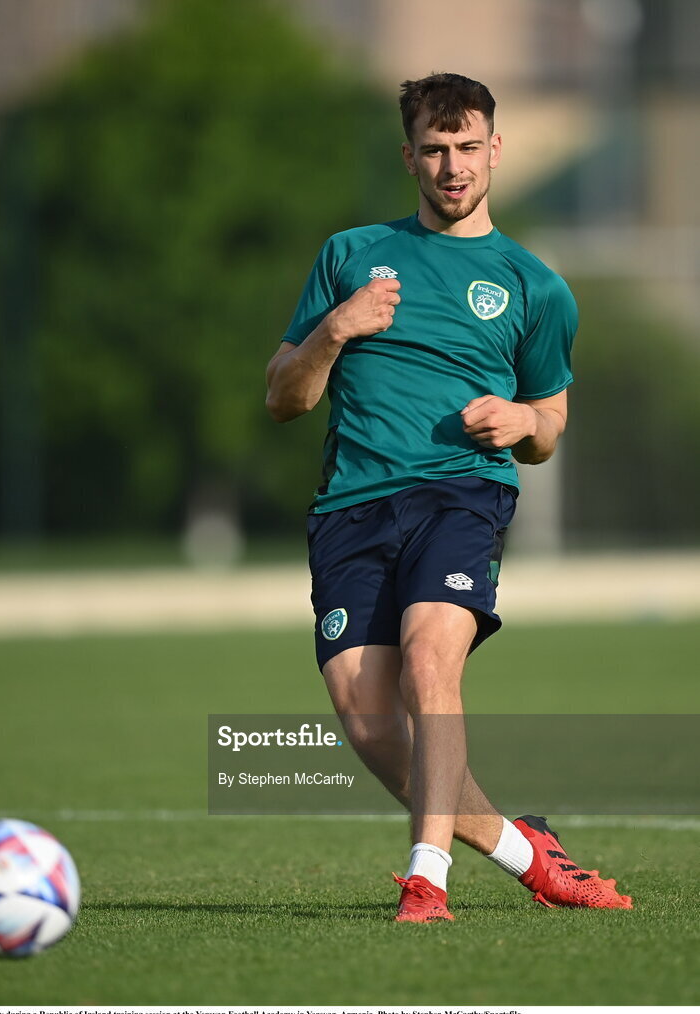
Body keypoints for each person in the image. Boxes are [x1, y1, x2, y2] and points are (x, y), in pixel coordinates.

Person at [265, 72, 631, 923]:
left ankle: (425, 879)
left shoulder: (535, 286)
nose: (452, 165)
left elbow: (548, 427)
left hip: (462, 496)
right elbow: (283, 397)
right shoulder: (349, 256)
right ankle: (522, 849)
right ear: (409, 157)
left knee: (432, 663)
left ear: (494, 150)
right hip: (350, 508)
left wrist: (520, 418)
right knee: (367, 723)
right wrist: (335, 329)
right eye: (434, 149)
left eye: (468, 147)